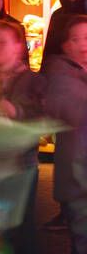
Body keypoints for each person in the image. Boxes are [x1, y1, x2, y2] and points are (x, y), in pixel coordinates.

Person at [45, 16, 87, 237]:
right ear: (66, 46)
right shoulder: (60, 75)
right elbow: (68, 110)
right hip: (75, 177)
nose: (83, 44)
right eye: (75, 39)